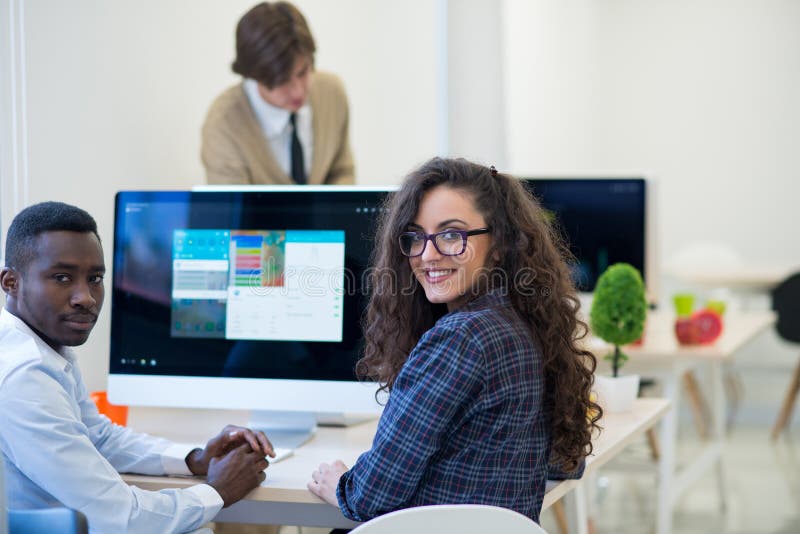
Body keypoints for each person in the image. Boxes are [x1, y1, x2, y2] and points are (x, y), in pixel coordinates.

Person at [308, 158, 602, 523]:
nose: (428, 254)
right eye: (415, 236)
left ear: (499, 244)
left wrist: (341, 482)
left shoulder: (460, 338)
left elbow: (370, 497)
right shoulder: (530, 323)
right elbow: (566, 464)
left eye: (451, 235)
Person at [0, 201, 276, 533]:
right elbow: (123, 519)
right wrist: (218, 491)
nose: (85, 297)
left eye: (95, 278)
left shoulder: (41, 347)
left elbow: (97, 437)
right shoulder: (25, 375)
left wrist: (195, 459)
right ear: (11, 282)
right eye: (62, 277)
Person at [202, 1, 355, 185]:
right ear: (254, 76)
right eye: (283, 82)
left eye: (303, 72)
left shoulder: (332, 93)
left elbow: (342, 171)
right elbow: (232, 210)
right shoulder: (223, 123)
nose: (299, 91)